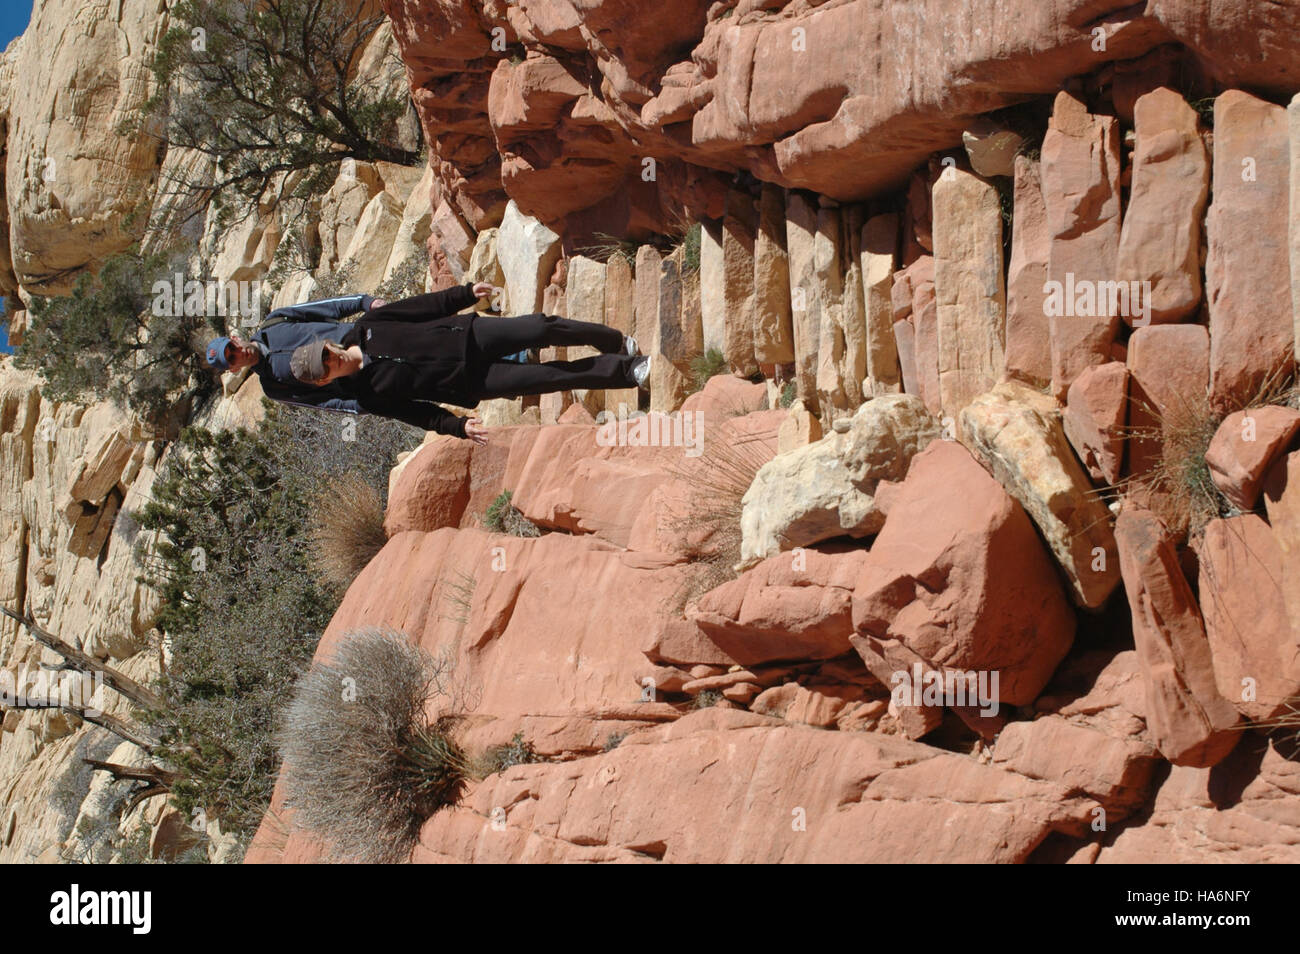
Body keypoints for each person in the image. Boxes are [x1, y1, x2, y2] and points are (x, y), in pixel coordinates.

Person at [289, 281, 651, 444]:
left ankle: (612, 340)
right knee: (550, 376)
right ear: (324, 381)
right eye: (326, 366)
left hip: (468, 334)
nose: (332, 358)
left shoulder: (367, 326)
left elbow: (420, 307)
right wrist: (456, 427)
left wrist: (462, 294)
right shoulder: (367, 396)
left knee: (541, 326)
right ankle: (628, 372)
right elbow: (419, 414)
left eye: (326, 352)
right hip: (472, 381)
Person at [203, 290, 533, 414]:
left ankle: (520, 349)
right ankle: (514, 378)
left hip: (365, 339)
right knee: (434, 377)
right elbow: (321, 402)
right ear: (233, 370)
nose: (238, 354)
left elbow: (327, 308)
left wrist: (363, 302)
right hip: (363, 380)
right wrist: (360, 404)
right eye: (232, 359)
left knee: (438, 338)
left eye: (232, 348)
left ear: (234, 337)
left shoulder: (276, 320)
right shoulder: (274, 387)